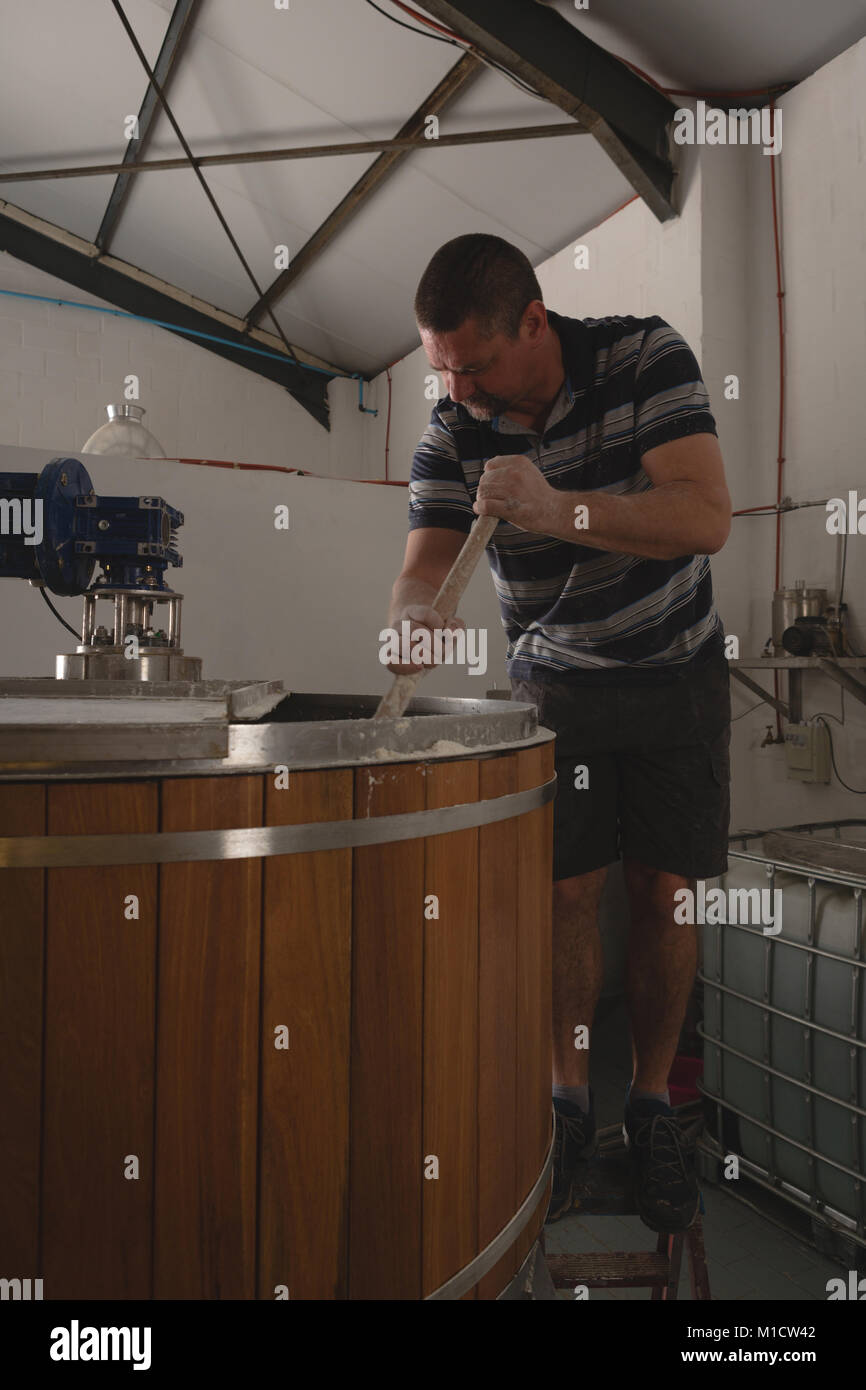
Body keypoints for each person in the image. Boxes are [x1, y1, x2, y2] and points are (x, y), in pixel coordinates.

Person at [386, 233, 732, 1233]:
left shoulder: (640, 359)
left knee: (663, 892)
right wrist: (412, 609)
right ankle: (569, 1103)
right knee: (564, 893)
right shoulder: (452, 429)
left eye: (472, 364)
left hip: (674, 669)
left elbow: (703, 515)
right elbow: (423, 560)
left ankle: (654, 1106)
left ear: (532, 322)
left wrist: (556, 507)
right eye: (437, 366)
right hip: (555, 690)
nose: (453, 388)